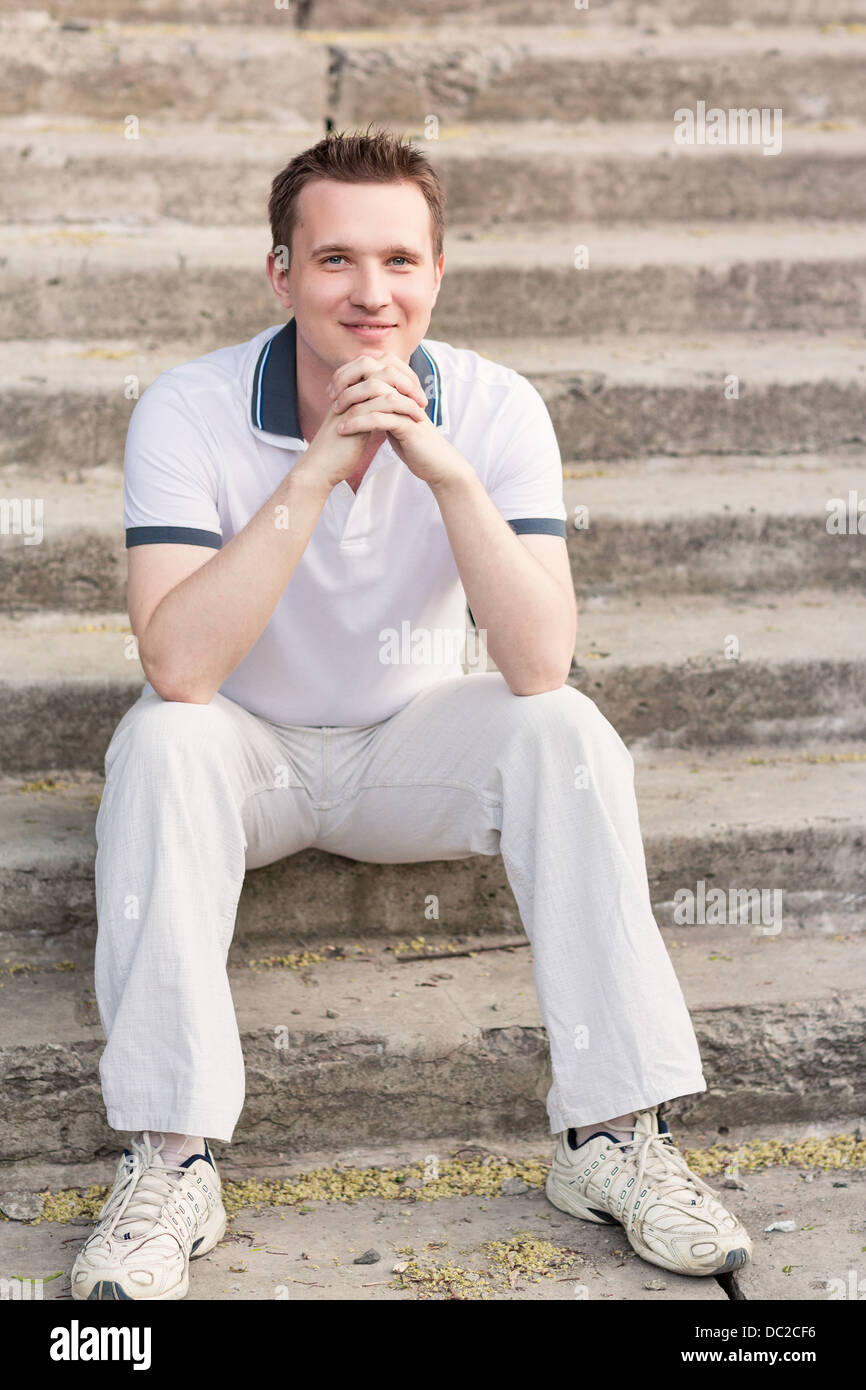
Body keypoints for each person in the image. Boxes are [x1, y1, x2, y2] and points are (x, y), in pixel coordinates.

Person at [72, 127, 752, 1301]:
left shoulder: (496, 406)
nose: (369, 292)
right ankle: (170, 1161)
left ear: (436, 271)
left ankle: (611, 1140)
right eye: (333, 260)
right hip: (246, 751)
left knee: (570, 733)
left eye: (398, 260)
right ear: (280, 274)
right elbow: (179, 663)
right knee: (159, 737)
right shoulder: (184, 410)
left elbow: (539, 660)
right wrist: (309, 475)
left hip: (410, 749)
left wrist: (444, 473)